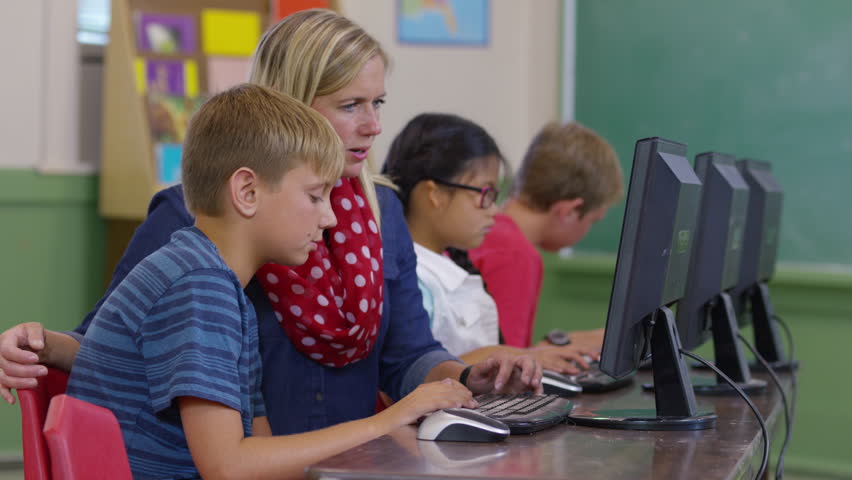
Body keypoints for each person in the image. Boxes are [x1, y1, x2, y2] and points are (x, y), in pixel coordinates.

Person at [0, 9, 541, 429]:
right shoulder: (192, 213)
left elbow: (408, 357)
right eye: (351, 105)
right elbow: (106, 347)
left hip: (348, 460)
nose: (374, 126)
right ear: (293, 107)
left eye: (379, 103)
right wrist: (37, 344)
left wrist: (470, 376)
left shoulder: (385, 212)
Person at [69, 84, 482, 479]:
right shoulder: (198, 285)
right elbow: (229, 467)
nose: (330, 218)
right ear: (247, 191)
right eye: (316, 196)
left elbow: (260, 453)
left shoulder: (231, 291)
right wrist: (389, 421)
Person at [382, 113, 598, 374]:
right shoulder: (413, 279)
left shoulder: (452, 263)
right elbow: (408, 375)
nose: (495, 211)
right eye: (485, 194)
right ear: (434, 194)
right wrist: (512, 355)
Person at [468, 121, 625, 350]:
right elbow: (505, 367)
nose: (590, 228)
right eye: (593, 220)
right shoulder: (516, 255)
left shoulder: (488, 232)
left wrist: (565, 343)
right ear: (569, 211)